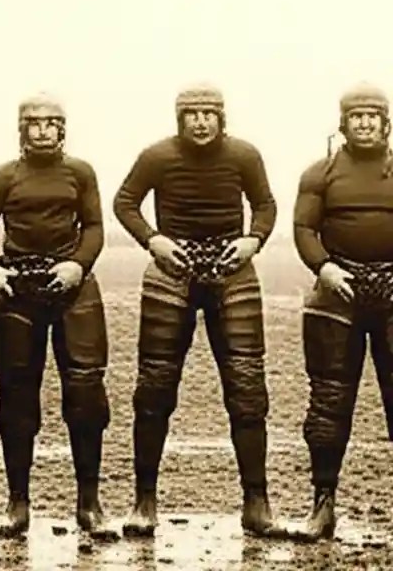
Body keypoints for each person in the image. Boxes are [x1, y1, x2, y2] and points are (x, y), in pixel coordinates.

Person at [113, 83, 285, 538]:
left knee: (247, 389)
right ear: (179, 118)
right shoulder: (157, 156)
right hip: (173, 269)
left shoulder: (245, 155)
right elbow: (124, 202)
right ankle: (144, 501)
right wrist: (154, 240)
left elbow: (265, 205)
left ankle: (257, 502)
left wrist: (252, 240)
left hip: (232, 268)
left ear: (222, 117)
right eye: (192, 113)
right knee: (153, 389)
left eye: (210, 113)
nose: (201, 121)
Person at [0, 93, 116, 540]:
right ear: (21, 129)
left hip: (72, 287)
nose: (41, 131)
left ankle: (89, 503)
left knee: (87, 394)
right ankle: (18, 503)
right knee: (16, 396)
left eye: (50, 124)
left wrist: (77, 264)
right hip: (18, 289)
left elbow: (94, 227)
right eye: (32, 124)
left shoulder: (81, 173)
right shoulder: (1, 178)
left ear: (62, 129)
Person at [288, 83, 393, 542]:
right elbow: (304, 228)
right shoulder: (321, 172)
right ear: (343, 123)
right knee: (328, 405)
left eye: (374, 116)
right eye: (358, 116)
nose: (365, 122)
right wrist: (324, 268)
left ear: (386, 124)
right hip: (338, 293)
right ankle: (322, 506)